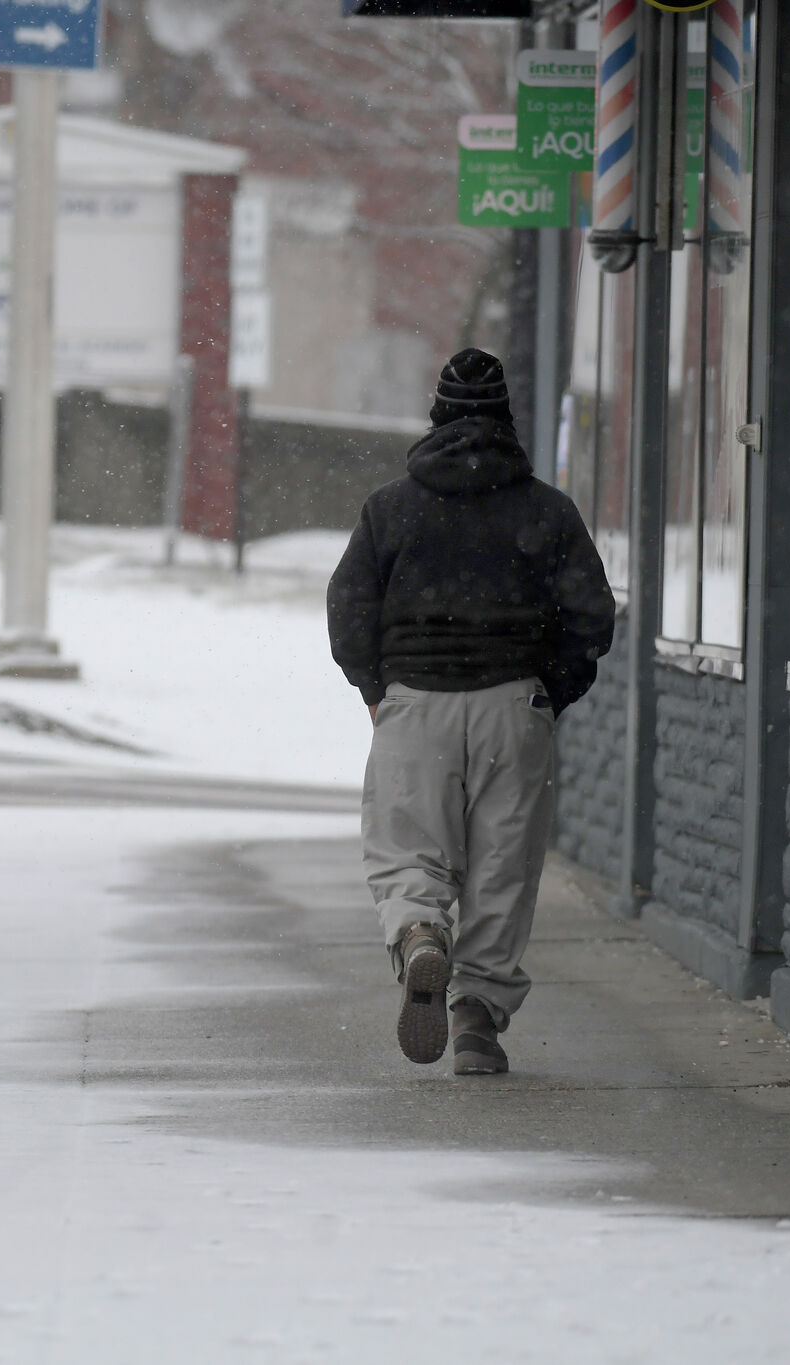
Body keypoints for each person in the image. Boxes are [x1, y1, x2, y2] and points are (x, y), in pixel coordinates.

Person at [327, 348, 614, 1075]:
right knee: (502, 864)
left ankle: (421, 930)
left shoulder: (391, 509)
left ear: (438, 416)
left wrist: (376, 688)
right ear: (506, 420)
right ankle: (478, 1016)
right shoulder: (547, 511)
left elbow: (348, 608)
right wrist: (548, 692)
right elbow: (591, 617)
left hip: (414, 703)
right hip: (513, 703)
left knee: (407, 847)